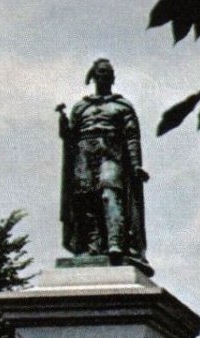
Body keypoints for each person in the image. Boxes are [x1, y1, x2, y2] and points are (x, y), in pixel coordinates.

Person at [58, 58, 149, 266]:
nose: (104, 76)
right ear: (93, 76)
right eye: (100, 73)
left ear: (113, 77)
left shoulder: (122, 106)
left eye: (108, 73)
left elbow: (132, 137)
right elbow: (71, 138)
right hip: (83, 153)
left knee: (109, 194)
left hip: (111, 152)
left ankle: (115, 243)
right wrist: (63, 126)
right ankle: (93, 246)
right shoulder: (81, 108)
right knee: (85, 199)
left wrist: (135, 165)